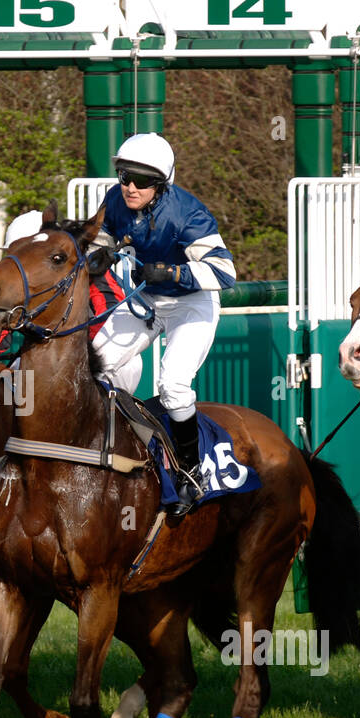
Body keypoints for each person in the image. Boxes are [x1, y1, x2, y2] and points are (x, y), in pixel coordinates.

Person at [87, 133, 237, 514]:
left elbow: (225, 273)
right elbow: (99, 243)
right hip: (147, 300)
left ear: (161, 184)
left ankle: (190, 471)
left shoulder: (189, 214)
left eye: (142, 181)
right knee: (94, 367)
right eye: (124, 177)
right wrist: (97, 257)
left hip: (191, 306)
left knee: (172, 386)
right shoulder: (115, 201)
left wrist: (173, 272)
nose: (130, 187)